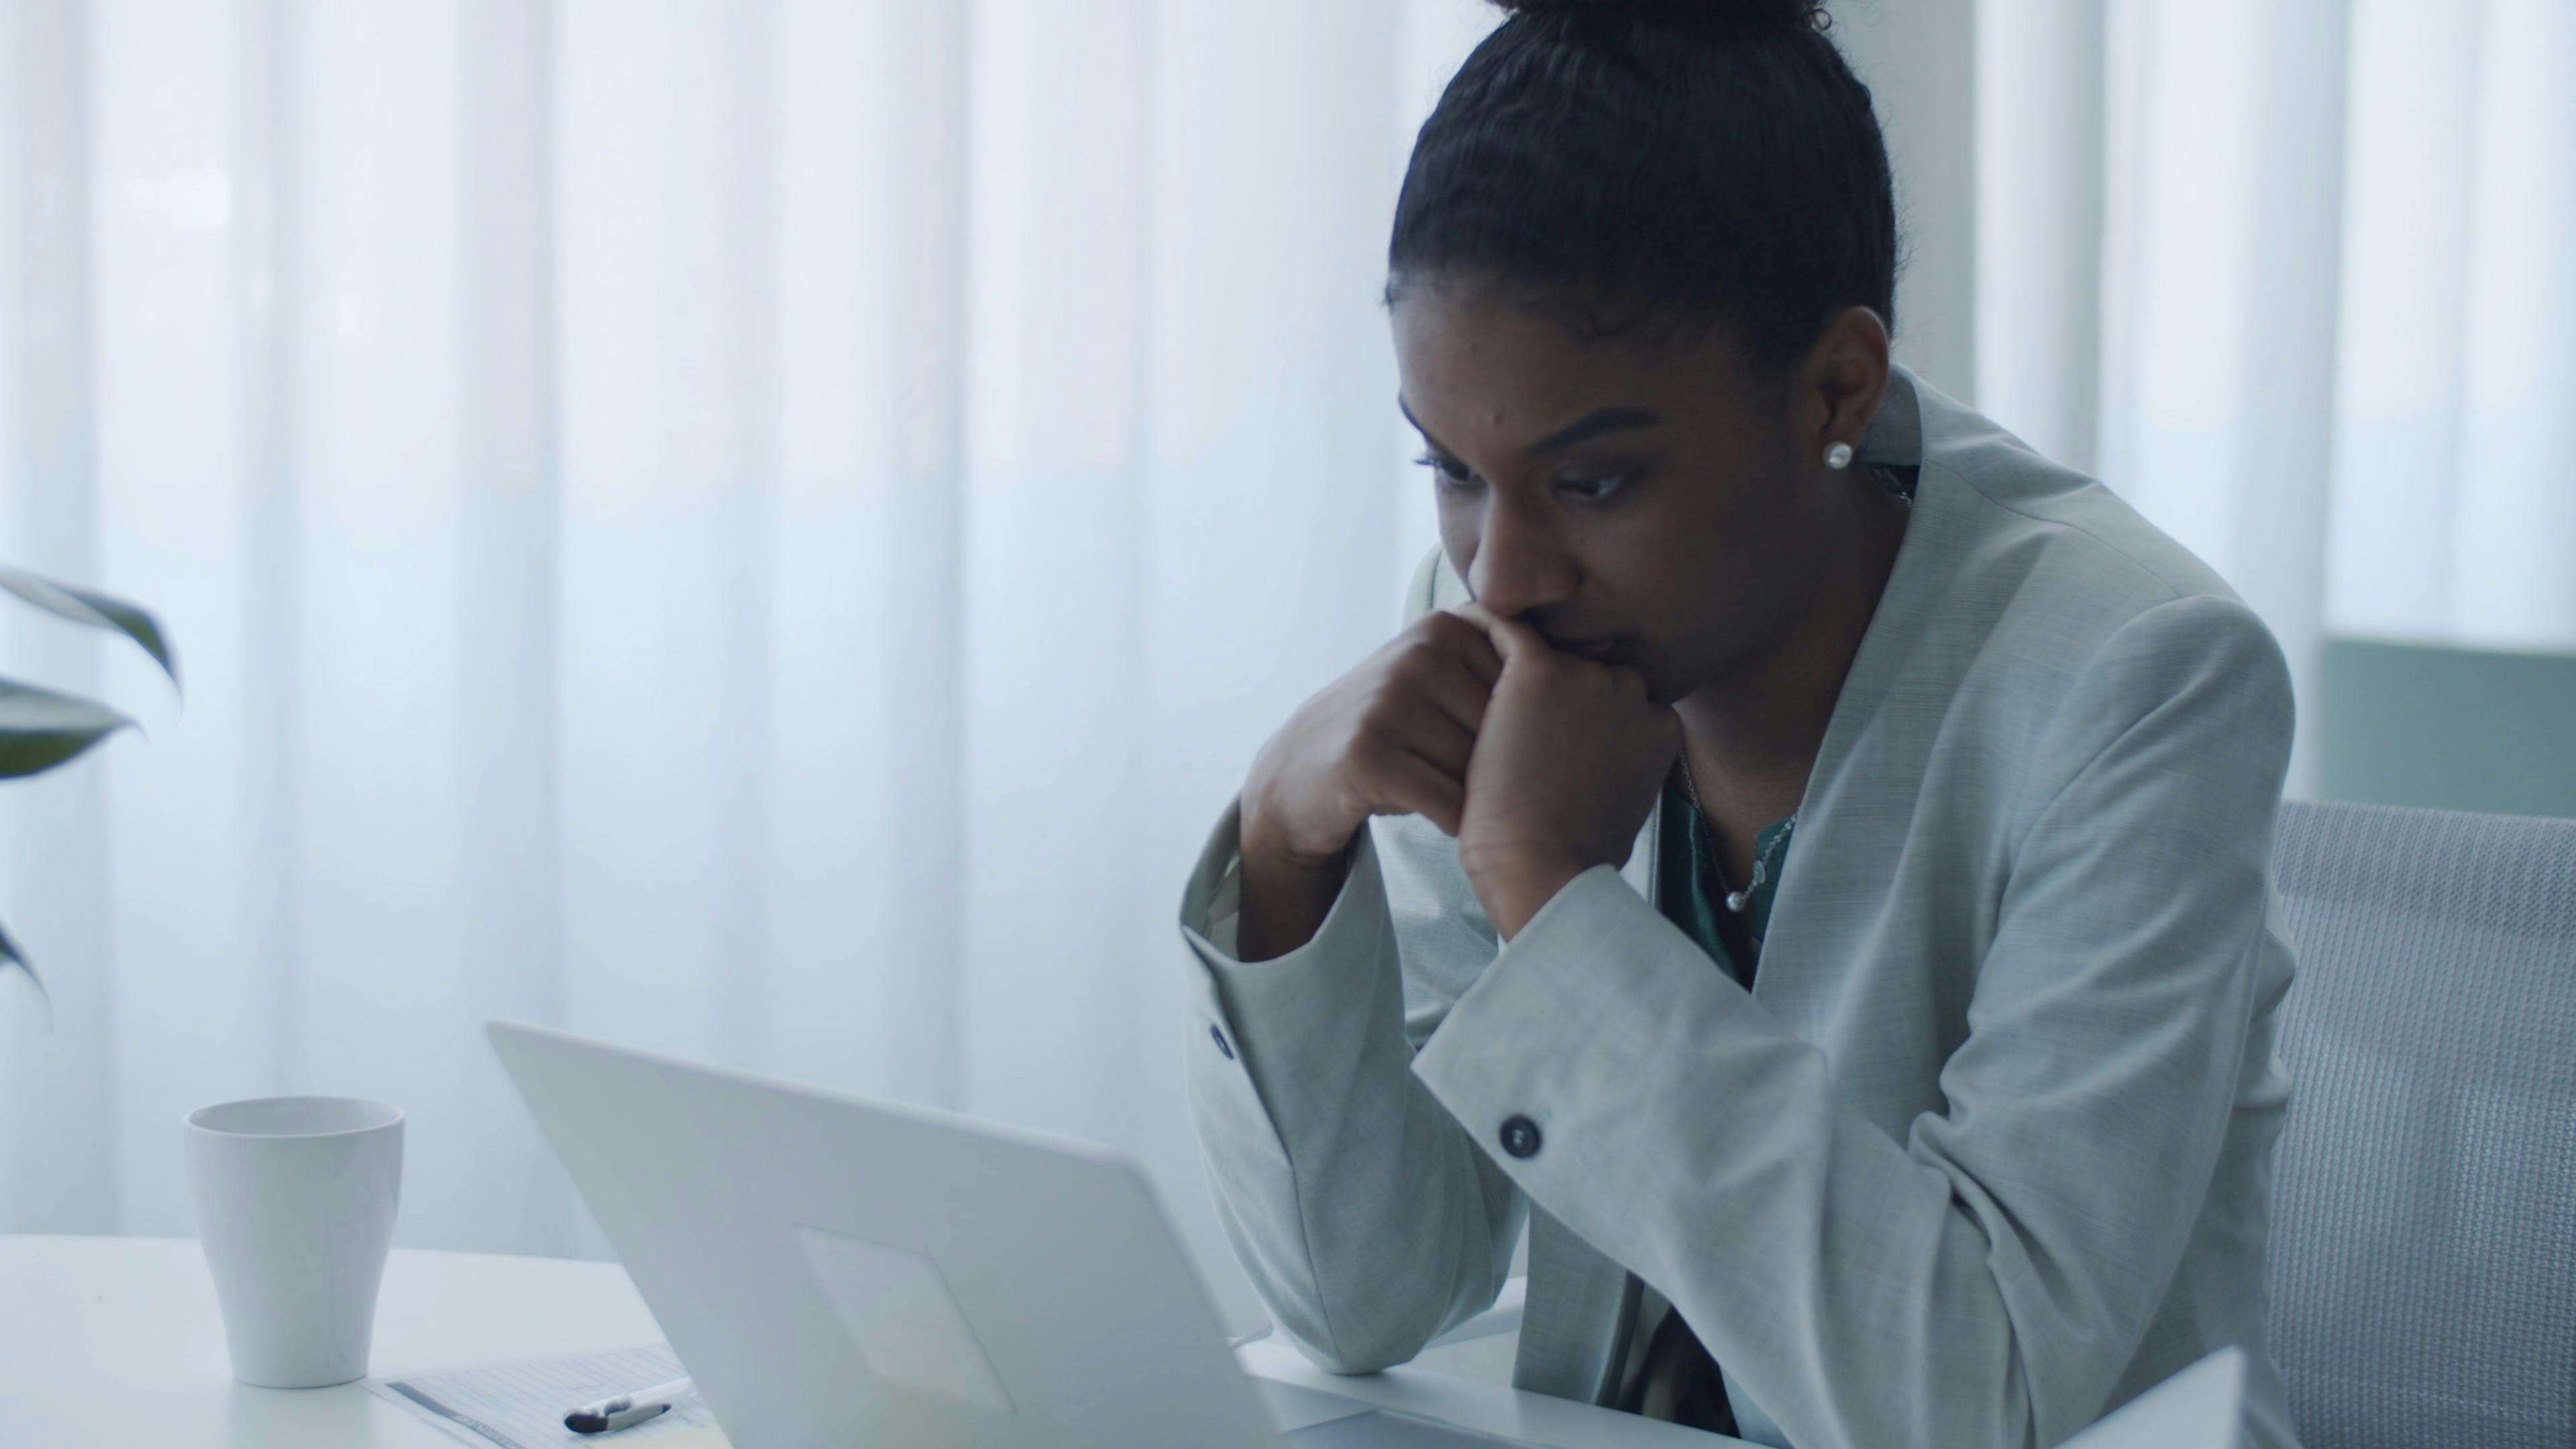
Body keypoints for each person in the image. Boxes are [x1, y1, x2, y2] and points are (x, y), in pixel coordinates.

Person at [1172, 1, 2304, 1446]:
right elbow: (1364, 1301)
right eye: (1448, 468)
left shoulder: (2139, 681)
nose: (1497, 575)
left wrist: (1555, 899)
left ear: (1836, 384)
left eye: (1593, 483)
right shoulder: (1529, 642)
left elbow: (1973, 1402)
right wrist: (1284, 851)